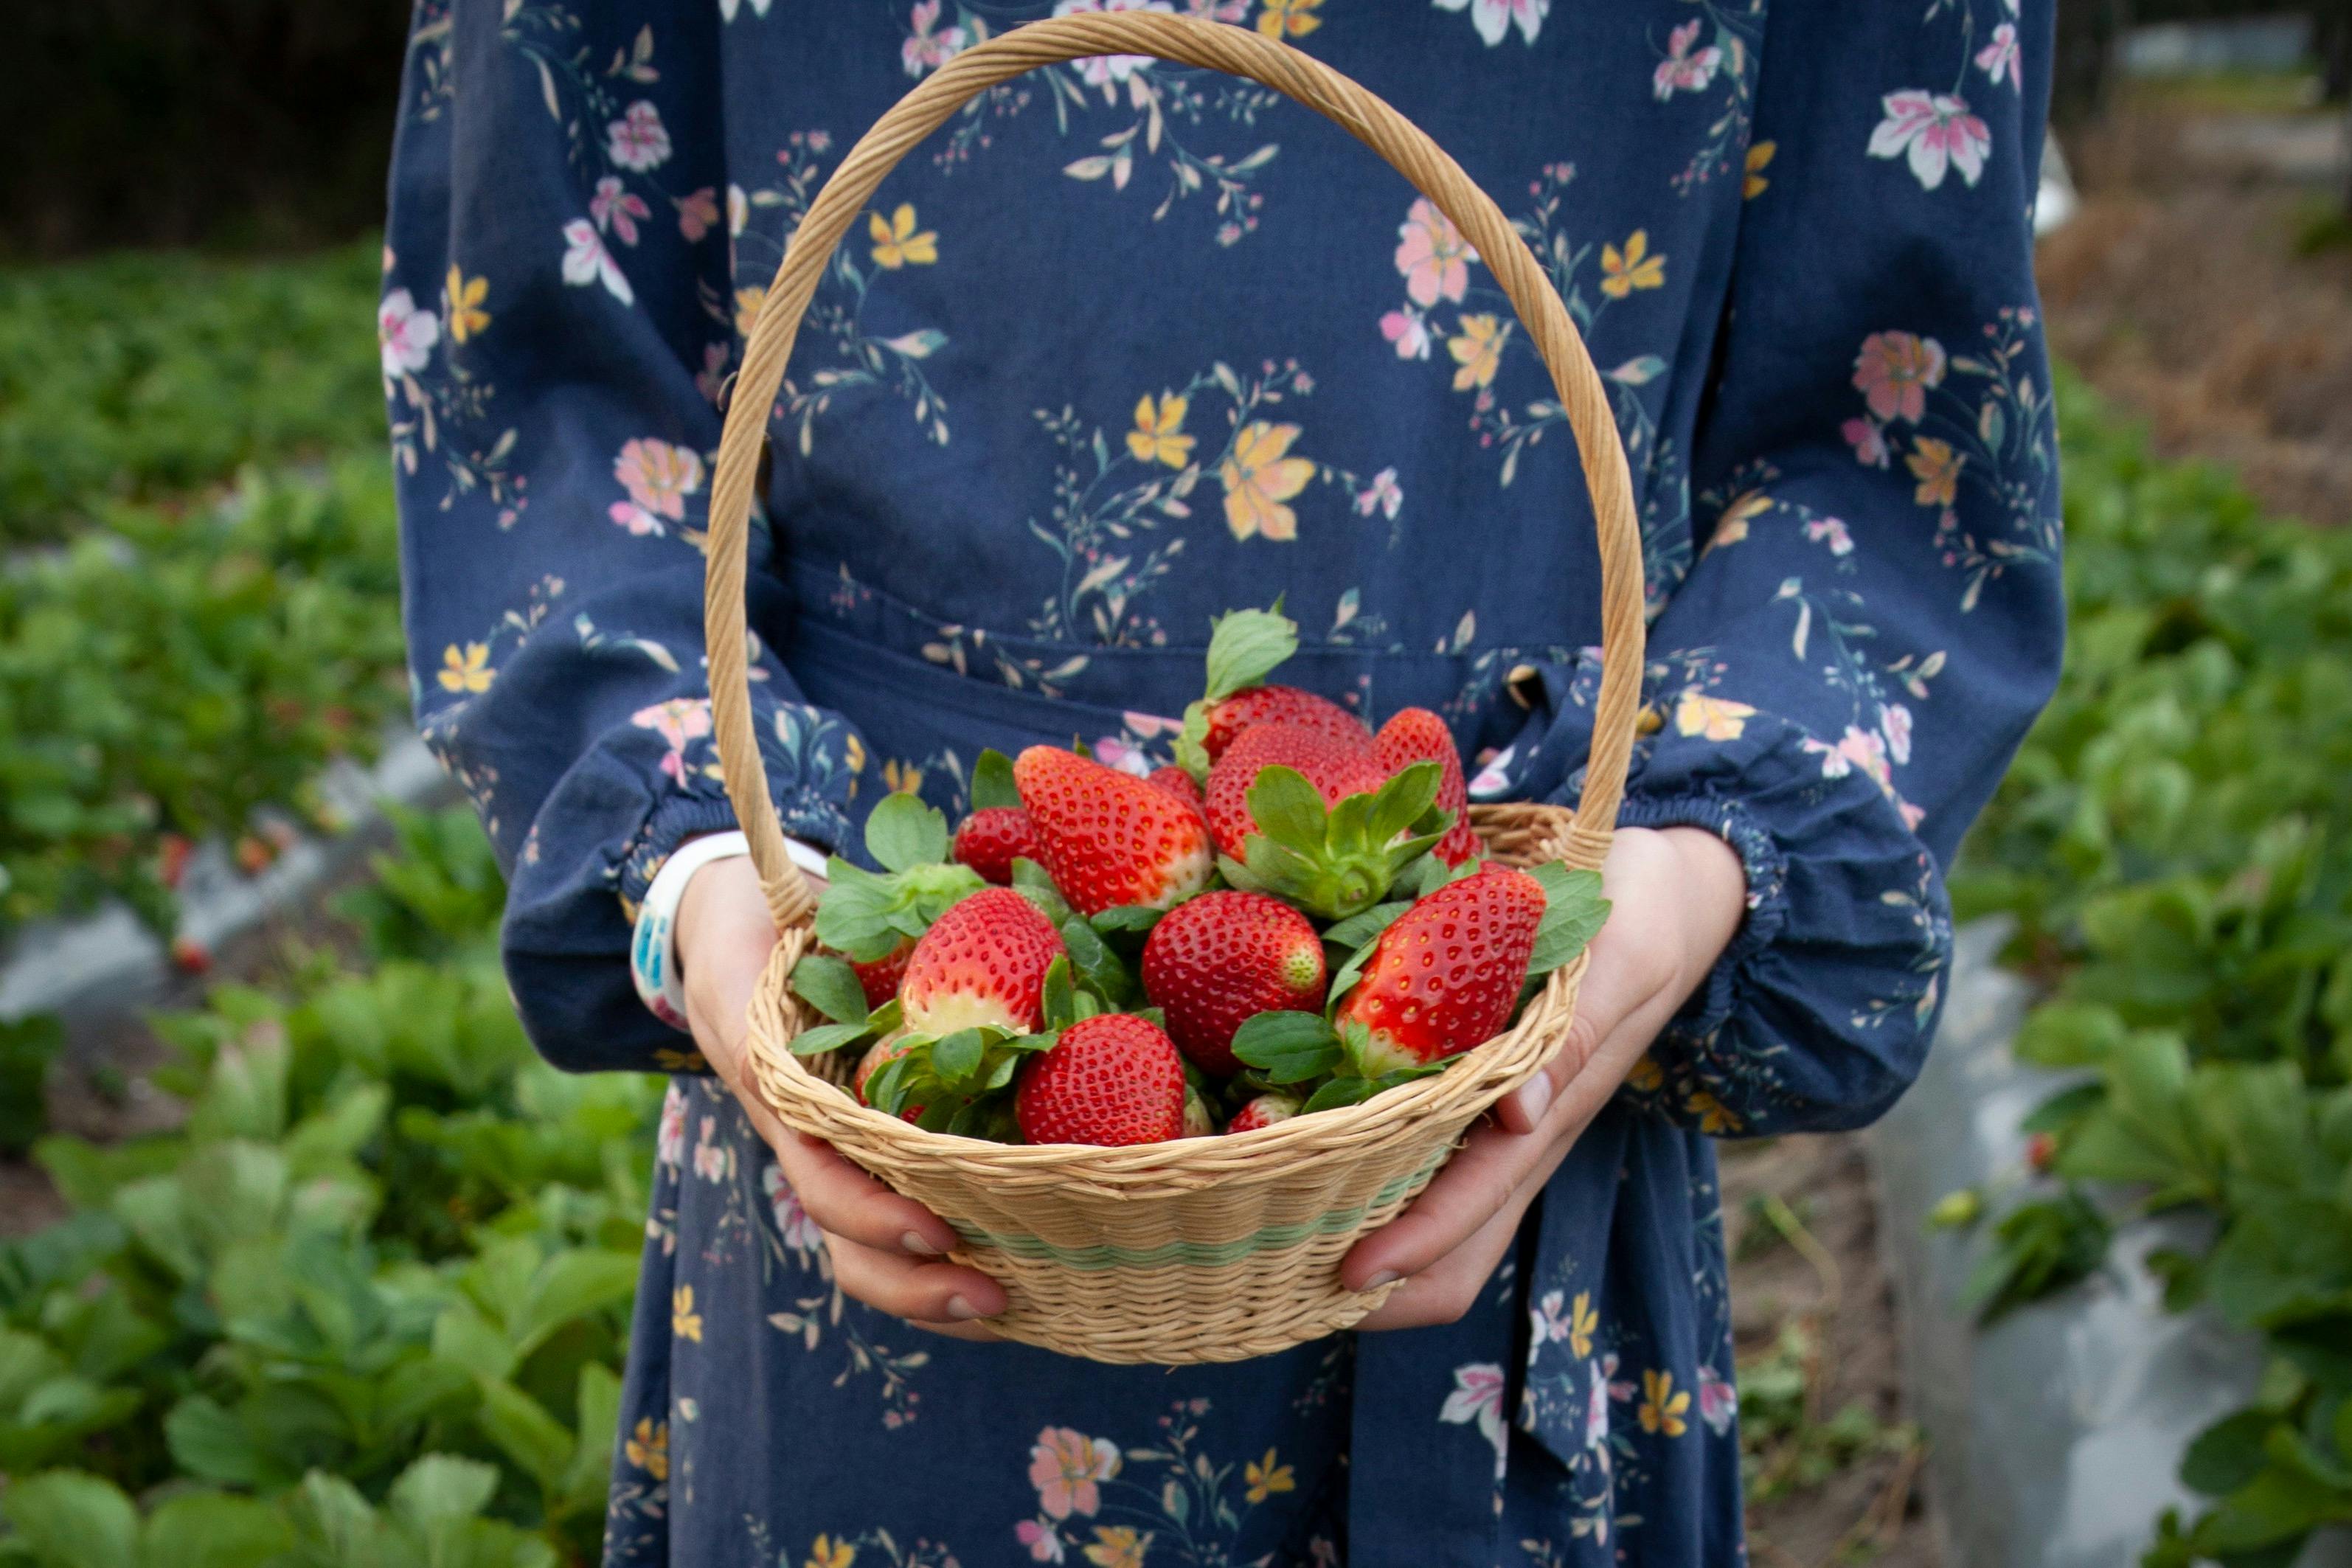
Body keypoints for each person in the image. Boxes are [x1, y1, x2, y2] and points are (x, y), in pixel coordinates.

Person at [382, 1, 2061, 1561]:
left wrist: (1656, 887)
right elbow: (546, 365)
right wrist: (719, 881)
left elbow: (1887, 414)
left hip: (1512, 1007)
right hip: (893, 1064)